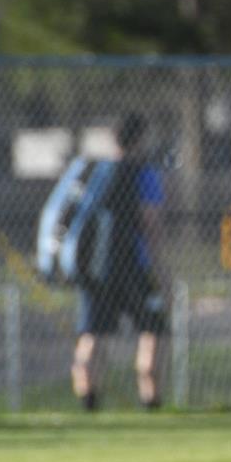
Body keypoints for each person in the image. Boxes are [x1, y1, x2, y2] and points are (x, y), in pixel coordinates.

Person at [71, 113, 168, 410]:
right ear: (140, 138)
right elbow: (150, 224)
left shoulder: (94, 172)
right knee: (154, 330)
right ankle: (151, 401)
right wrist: (162, 272)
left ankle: (88, 402)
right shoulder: (143, 174)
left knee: (93, 335)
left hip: (97, 267)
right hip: (134, 267)